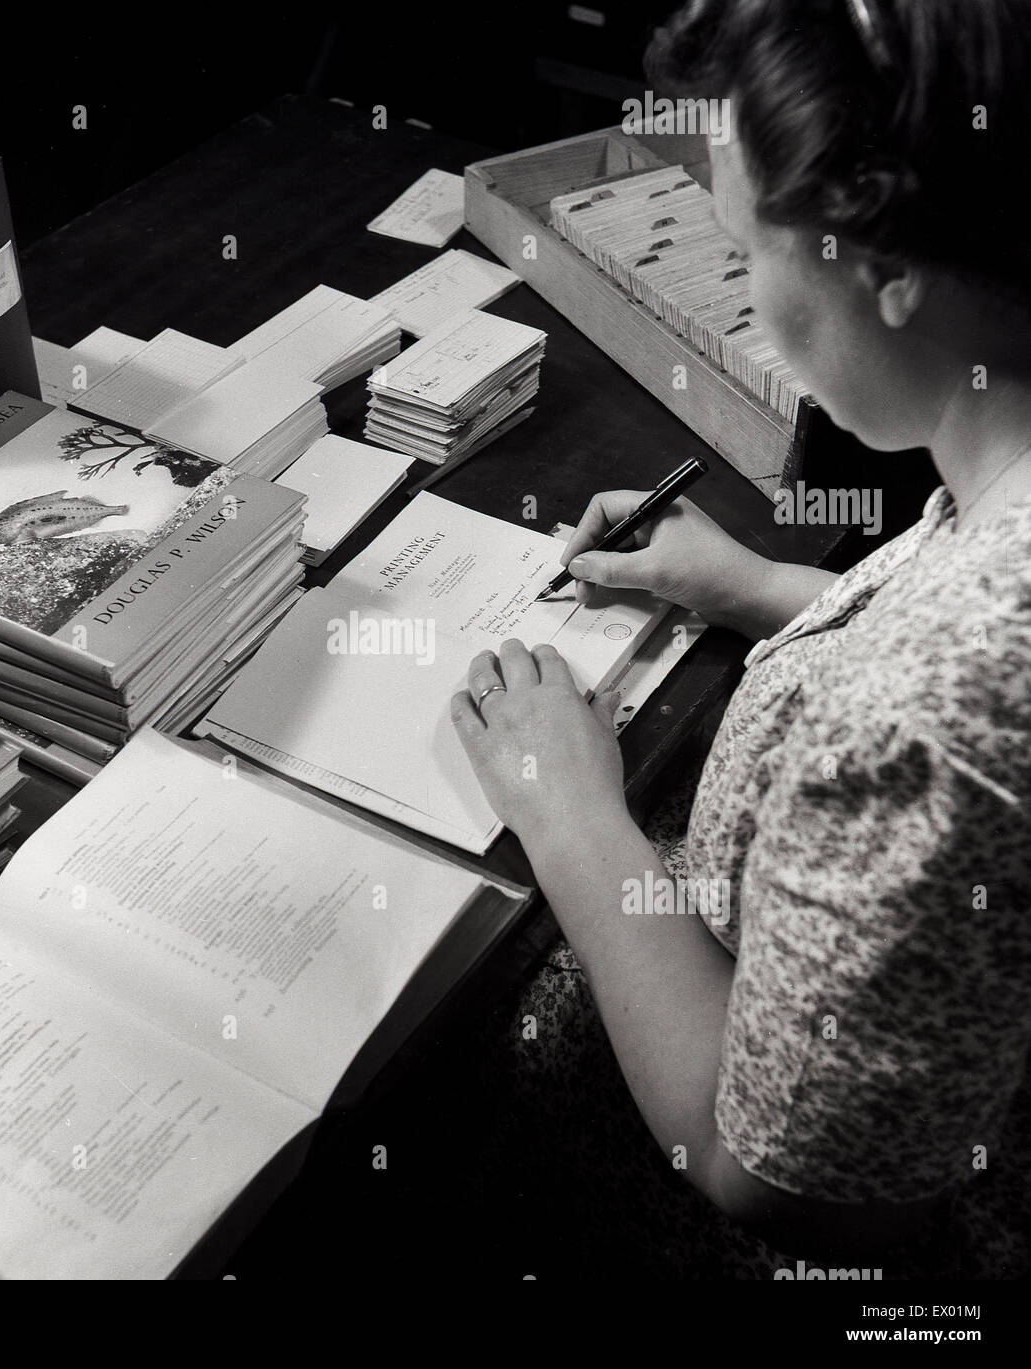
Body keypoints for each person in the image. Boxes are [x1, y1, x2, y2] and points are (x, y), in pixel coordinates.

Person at [451, 0, 1031, 1272]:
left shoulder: (929, 716)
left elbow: (779, 1179)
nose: (741, 299)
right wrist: (772, 589)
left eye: (742, 249)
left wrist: (571, 814)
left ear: (883, 267)